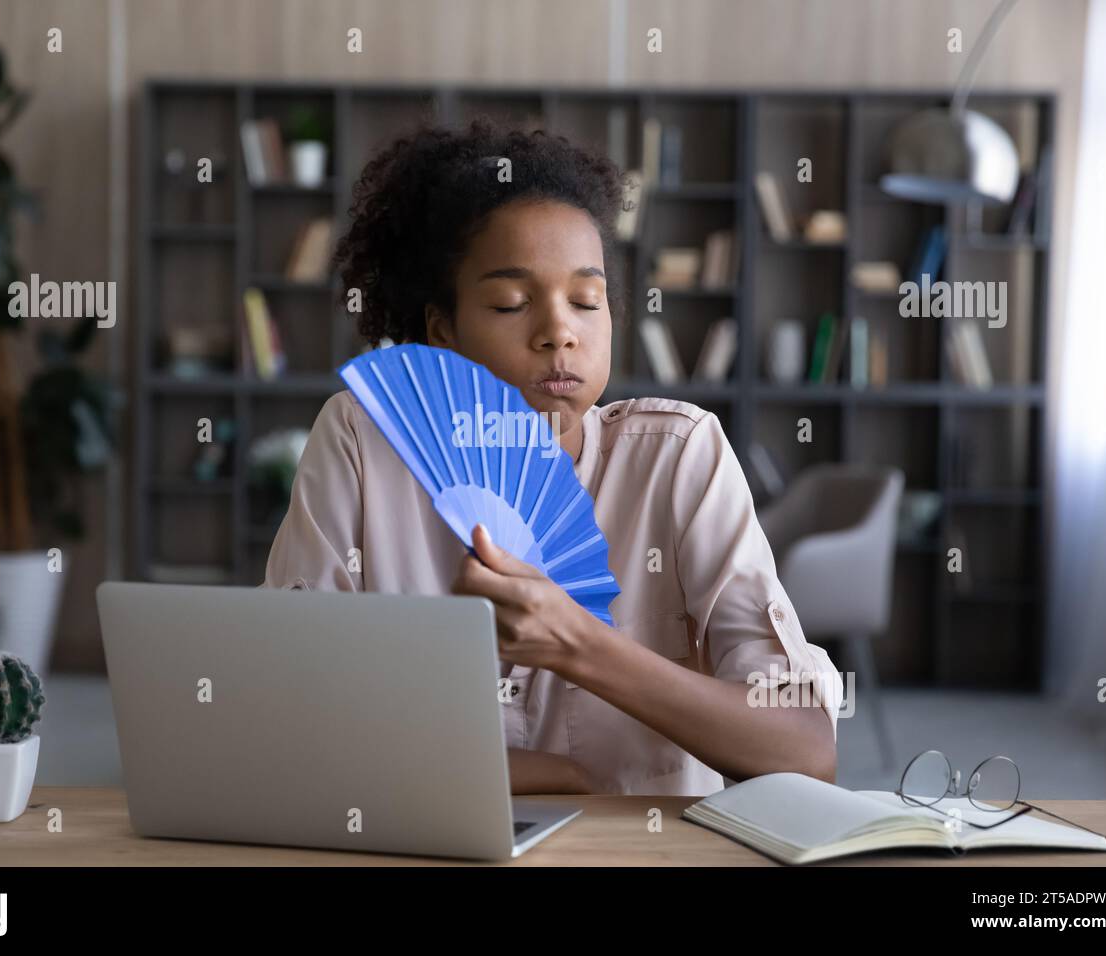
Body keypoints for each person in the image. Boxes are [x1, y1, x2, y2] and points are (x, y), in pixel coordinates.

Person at [265, 118, 842, 796]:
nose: (559, 333)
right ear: (442, 330)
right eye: (512, 303)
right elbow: (291, 717)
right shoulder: (363, 441)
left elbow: (804, 748)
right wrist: (549, 775)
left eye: (586, 300)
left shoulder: (680, 457)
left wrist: (579, 644)